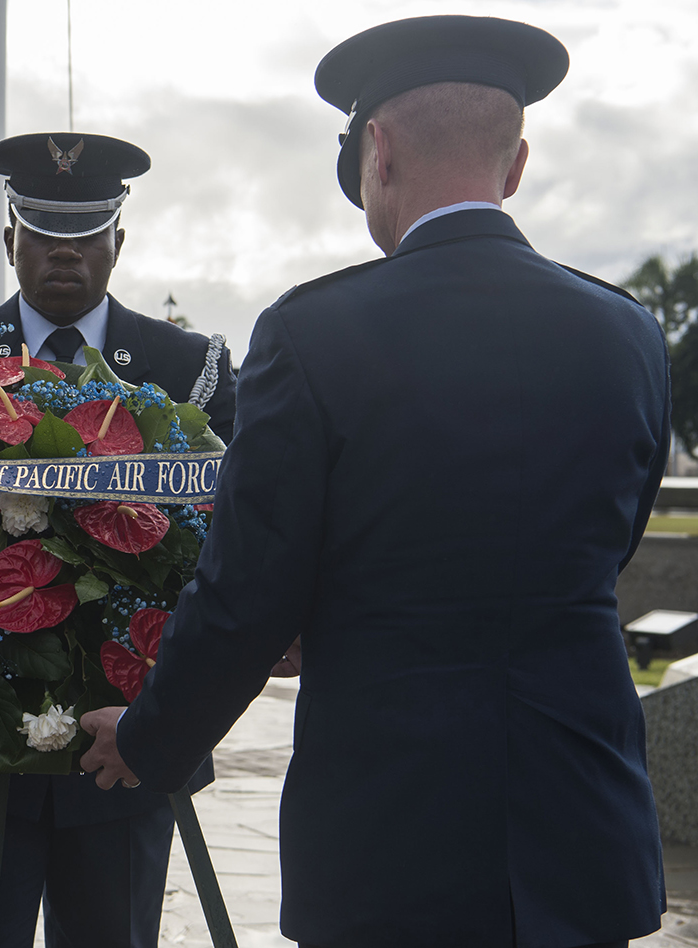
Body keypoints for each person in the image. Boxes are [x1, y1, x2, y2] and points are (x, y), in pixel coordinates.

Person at [80, 15, 669, 948]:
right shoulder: (628, 334)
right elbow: (610, 538)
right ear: (516, 164)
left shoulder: (314, 334)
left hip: (391, 831)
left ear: (375, 152)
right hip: (582, 825)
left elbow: (247, 594)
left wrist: (152, 739)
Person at [0, 132, 236, 948]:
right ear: (10, 238)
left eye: (85, 233)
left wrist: (175, 712)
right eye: (44, 231)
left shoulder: (186, 366)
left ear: (118, 240)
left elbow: (230, 550)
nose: (64, 252)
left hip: (126, 745)